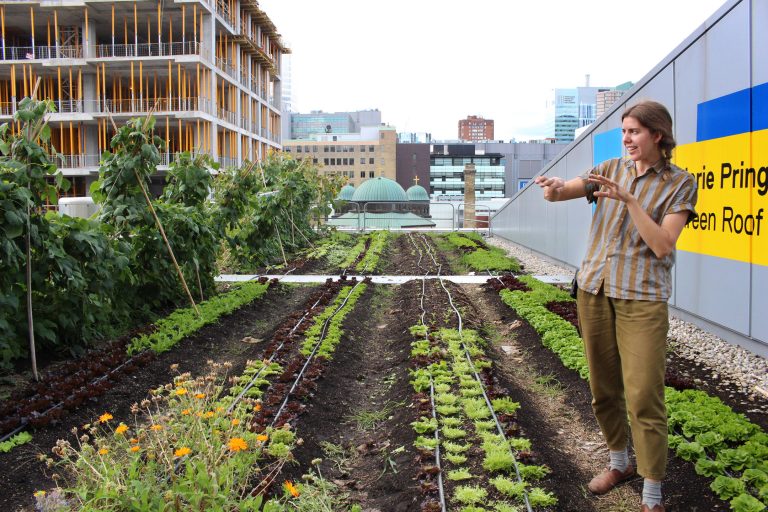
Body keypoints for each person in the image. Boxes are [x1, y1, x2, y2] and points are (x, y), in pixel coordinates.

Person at [534, 100, 697, 512]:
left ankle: (653, 493)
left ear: (657, 135)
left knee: (644, 395)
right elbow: (568, 191)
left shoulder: (680, 183)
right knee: (603, 389)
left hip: (642, 298)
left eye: (635, 132)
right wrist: (554, 189)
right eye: (624, 131)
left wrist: (630, 201)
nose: (627, 139)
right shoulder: (609, 169)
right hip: (595, 289)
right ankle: (619, 462)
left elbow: (662, 244)